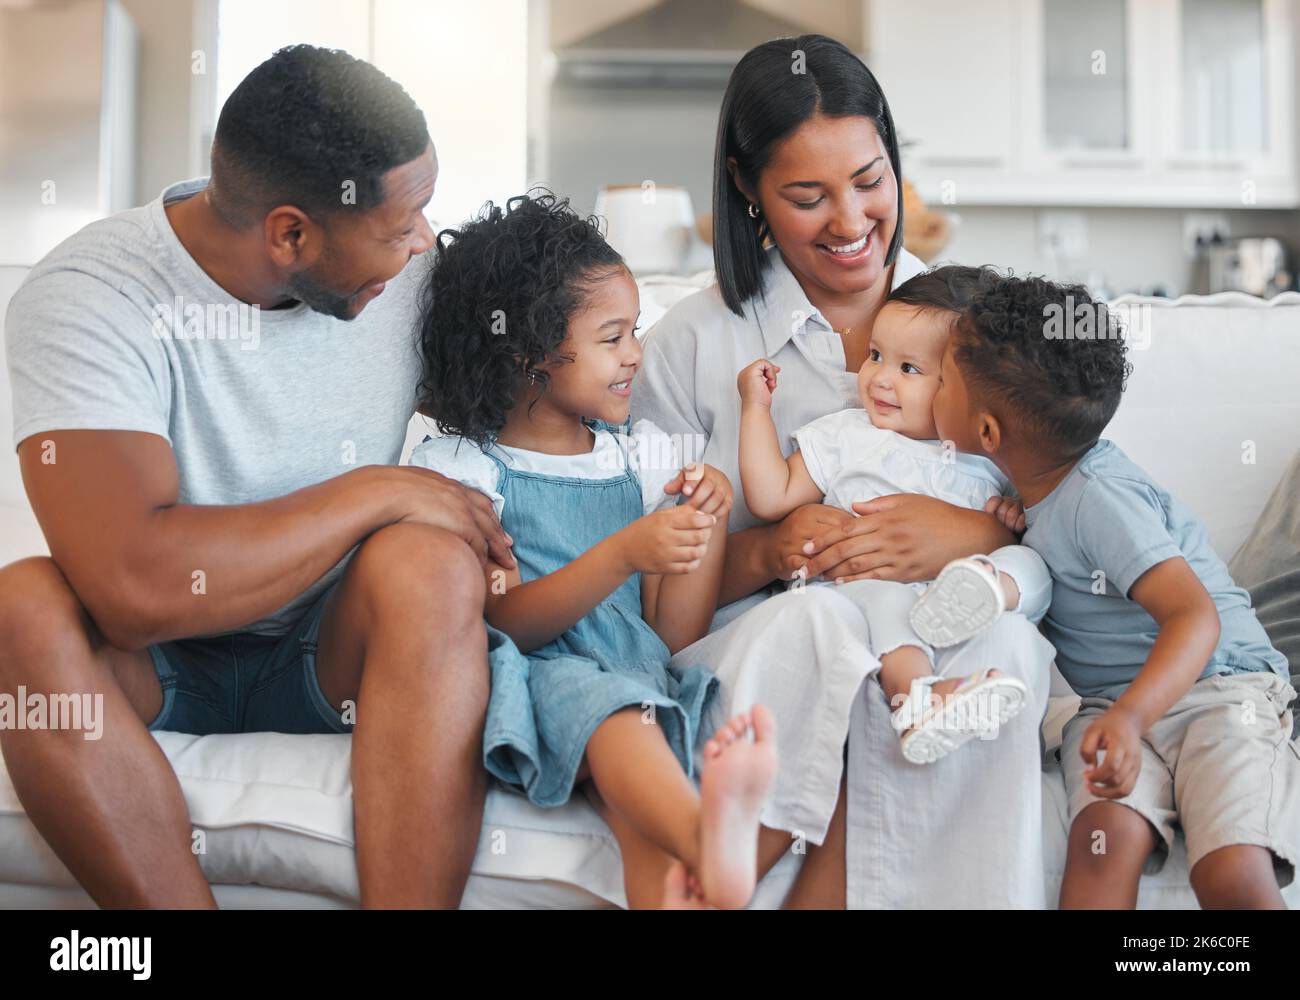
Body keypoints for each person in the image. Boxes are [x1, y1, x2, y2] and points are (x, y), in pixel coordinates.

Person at [0, 45, 511, 908]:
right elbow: (129, 586)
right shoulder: (93, 294)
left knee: (428, 564)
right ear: (289, 234)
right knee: (23, 606)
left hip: (329, 651)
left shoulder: (410, 282)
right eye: (399, 227)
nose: (424, 242)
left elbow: (560, 378)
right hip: (151, 663)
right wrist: (373, 491)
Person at [633, 34, 1055, 907]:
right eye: (806, 196)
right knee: (828, 626)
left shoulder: (982, 321)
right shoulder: (690, 347)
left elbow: (1075, 519)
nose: (853, 222)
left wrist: (970, 531)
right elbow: (644, 602)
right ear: (748, 188)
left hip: (938, 620)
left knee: (1004, 643)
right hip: (771, 634)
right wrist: (773, 548)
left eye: (871, 181)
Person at [408, 191, 777, 909]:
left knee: (637, 821)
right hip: (536, 675)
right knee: (612, 711)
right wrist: (623, 553)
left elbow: (670, 634)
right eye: (613, 338)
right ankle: (709, 837)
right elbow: (500, 620)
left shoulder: (633, 460)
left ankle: (682, 880)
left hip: (635, 676)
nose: (636, 354)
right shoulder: (464, 469)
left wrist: (699, 524)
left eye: (633, 331)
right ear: (528, 355)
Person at [932, 268, 1298, 909]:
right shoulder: (1031, 487)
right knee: (1103, 842)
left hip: (1216, 689)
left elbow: (1195, 618)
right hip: (1108, 708)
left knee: (1232, 870)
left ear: (988, 432)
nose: (929, 387)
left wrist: (1133, 718)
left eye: (938, 379)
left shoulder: (1102, 497)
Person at [735, 266, 1055, 764]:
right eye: (876, 356)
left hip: (952, 605)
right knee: (886, 601)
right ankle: (919, 697)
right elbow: (770, 496)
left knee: (1031, 565)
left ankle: (986, 590)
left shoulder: (987, 457)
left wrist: (1006, 523)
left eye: (910, 369)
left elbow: (1036, 525)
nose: (880, 378)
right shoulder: (850, 434)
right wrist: (755, 409)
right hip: (860, 589)